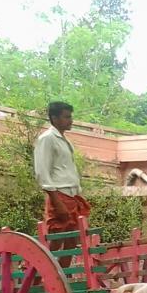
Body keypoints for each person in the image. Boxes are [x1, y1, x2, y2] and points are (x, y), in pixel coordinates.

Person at [34, 101, 90, 268]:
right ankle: (41, 275)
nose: (70, 120)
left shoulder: (65, 140)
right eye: (66, 117)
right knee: (56, 239)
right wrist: (56, 201)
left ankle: (62, 276)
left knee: (72, 240)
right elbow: (42, 172)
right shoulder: (47, 139)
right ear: (55, 118)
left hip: (72, 195)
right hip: (59, 194)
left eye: (70, 117)